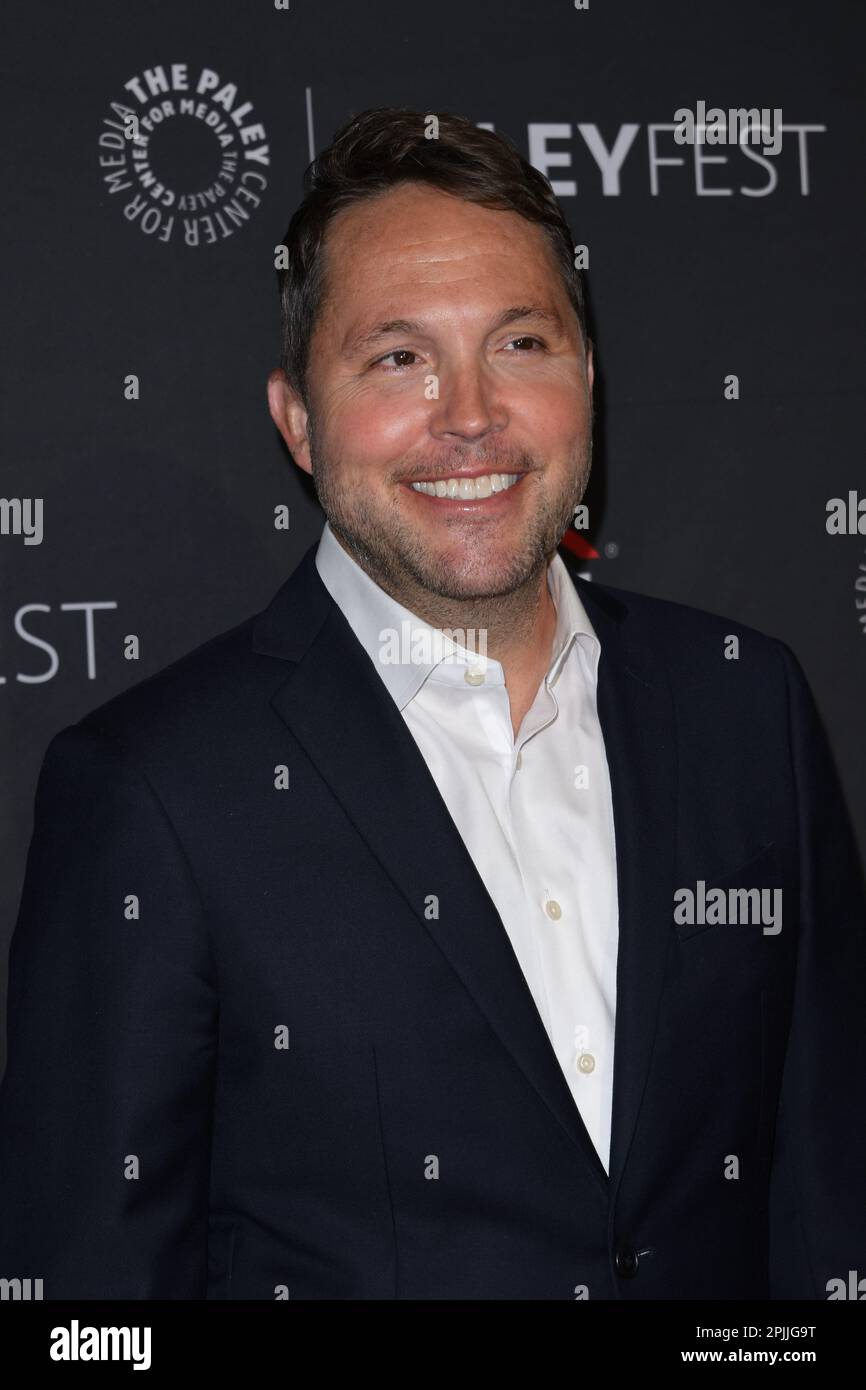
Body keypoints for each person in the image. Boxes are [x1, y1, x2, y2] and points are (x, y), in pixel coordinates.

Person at [0, 107, 864, 1300]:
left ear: (586, 380)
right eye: (398, 357)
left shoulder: (741, 704)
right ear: (298, 420)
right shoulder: (154, 790)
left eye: (519, 344)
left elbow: (825, 1197)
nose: (468, 414)